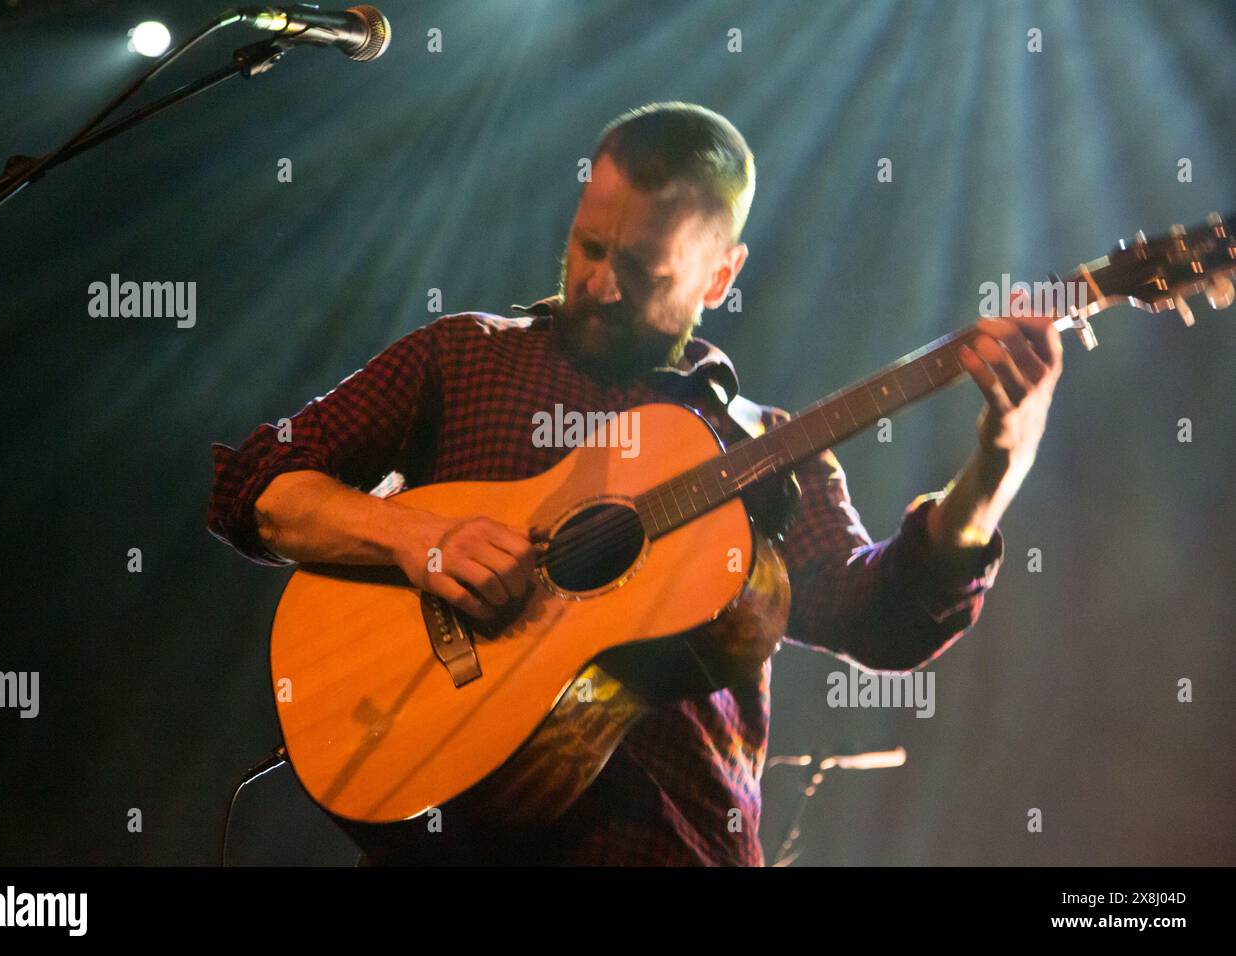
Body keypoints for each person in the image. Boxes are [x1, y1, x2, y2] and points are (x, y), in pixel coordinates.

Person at [207, 102, 1062, 866]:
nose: (601, 284)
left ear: (721, 276)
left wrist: (997, 463)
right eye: (589, 245)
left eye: (645, 270)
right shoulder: (461, 357)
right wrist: (417, 539)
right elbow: (261, 486)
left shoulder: (763, 446)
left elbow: (879, 619)